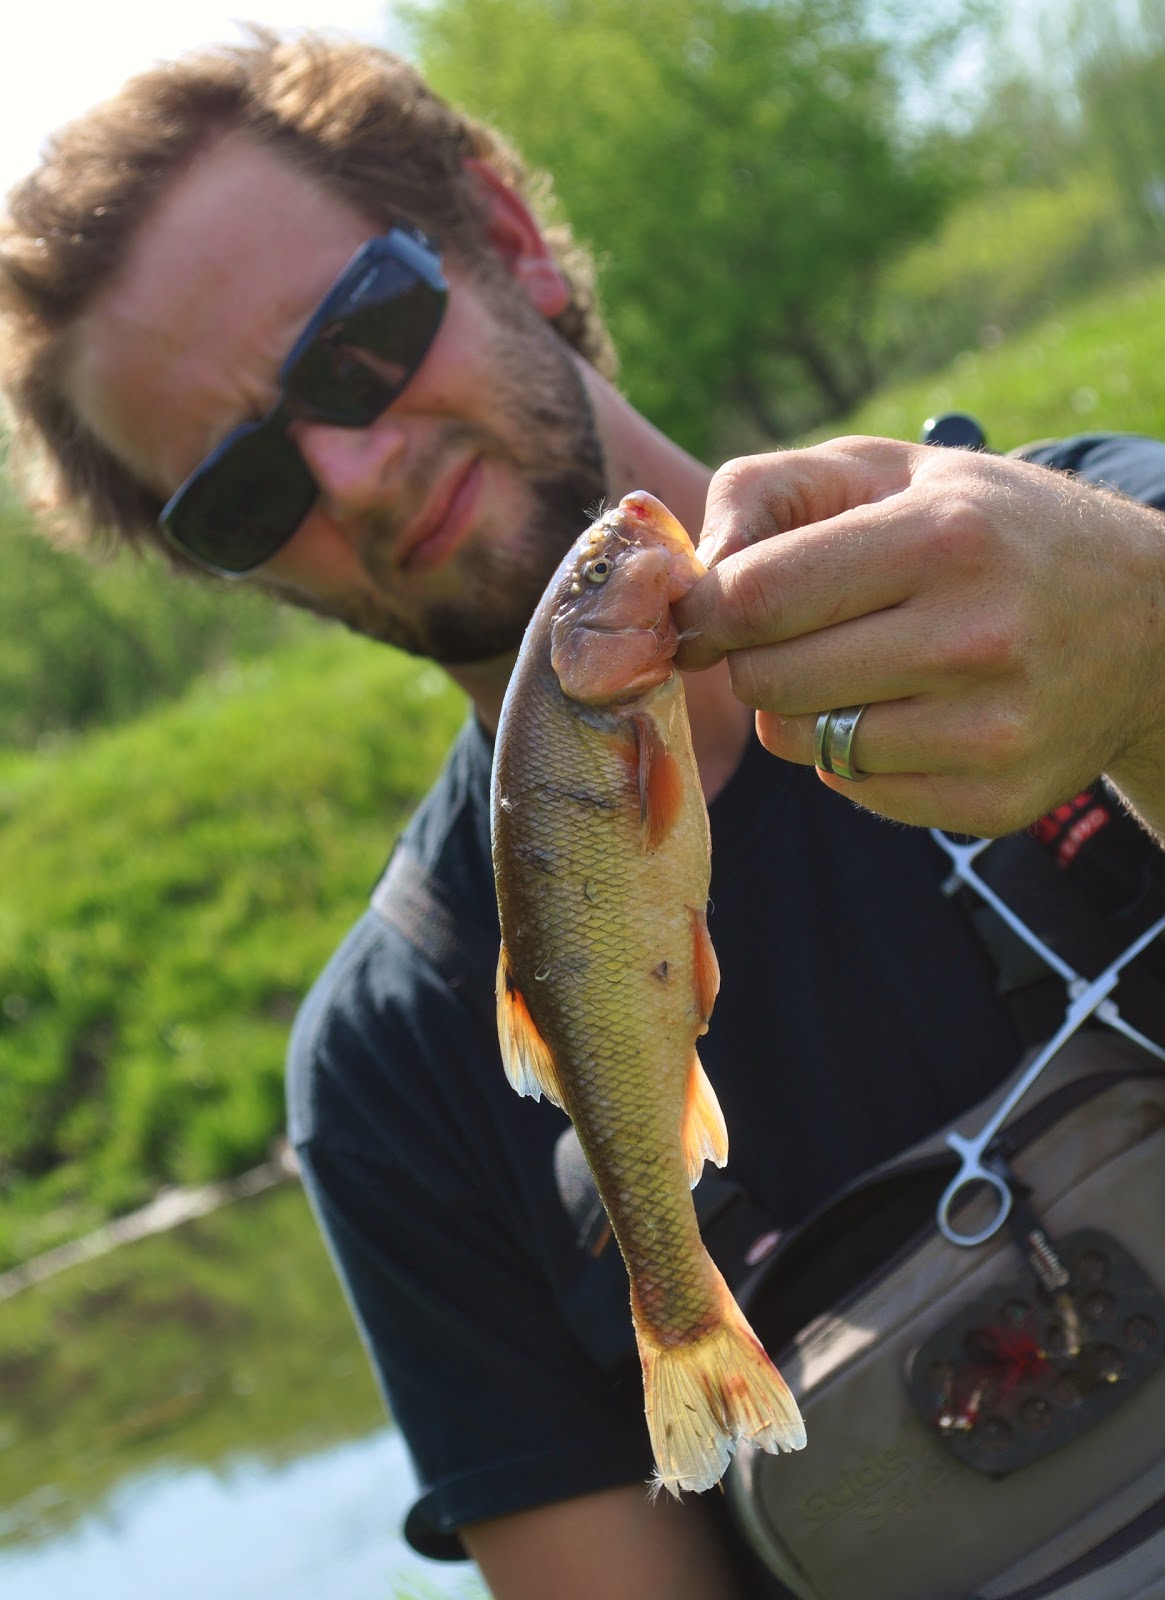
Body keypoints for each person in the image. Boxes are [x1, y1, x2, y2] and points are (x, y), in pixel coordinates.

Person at [2, 31, 1164, 1600]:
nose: (352, 470)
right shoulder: (390, 1074)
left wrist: (1144, 669)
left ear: (507, 234)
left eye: (357, 341)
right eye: (240, 492)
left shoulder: (1098, 555)